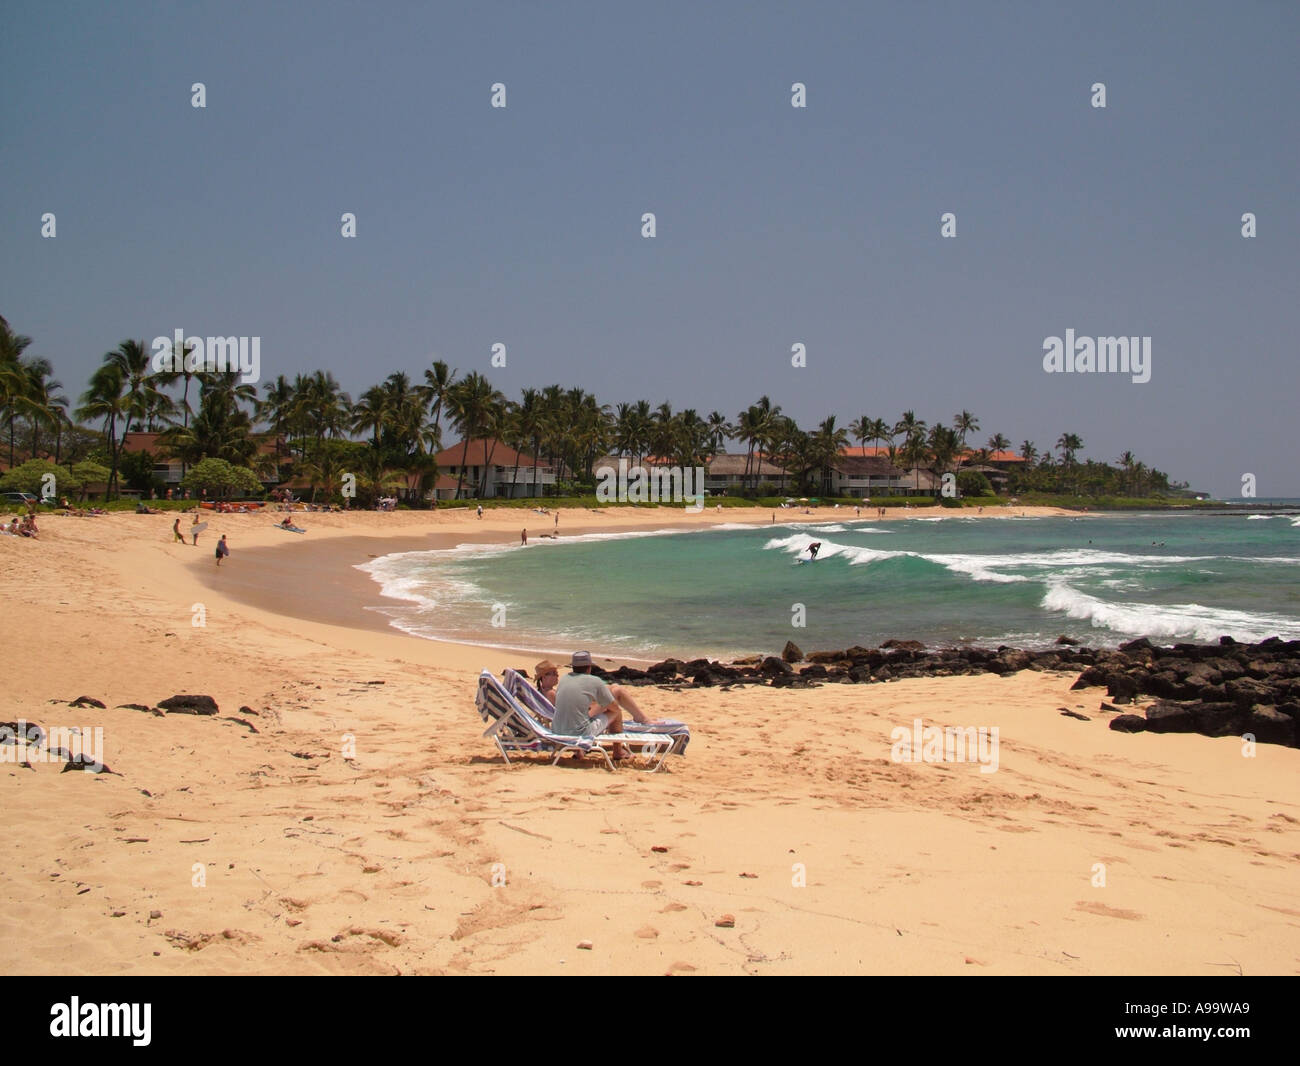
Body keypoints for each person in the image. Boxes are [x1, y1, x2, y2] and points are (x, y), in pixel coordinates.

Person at [551, 651, 631, 761]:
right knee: (616, 711)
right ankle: (618, 752)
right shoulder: (594, 681)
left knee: (583, 715)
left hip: (557, 730)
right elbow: (613, 707)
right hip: (579, 733)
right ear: (589, 668)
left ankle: (580, 751)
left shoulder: (564, 679)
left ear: (573, 667)